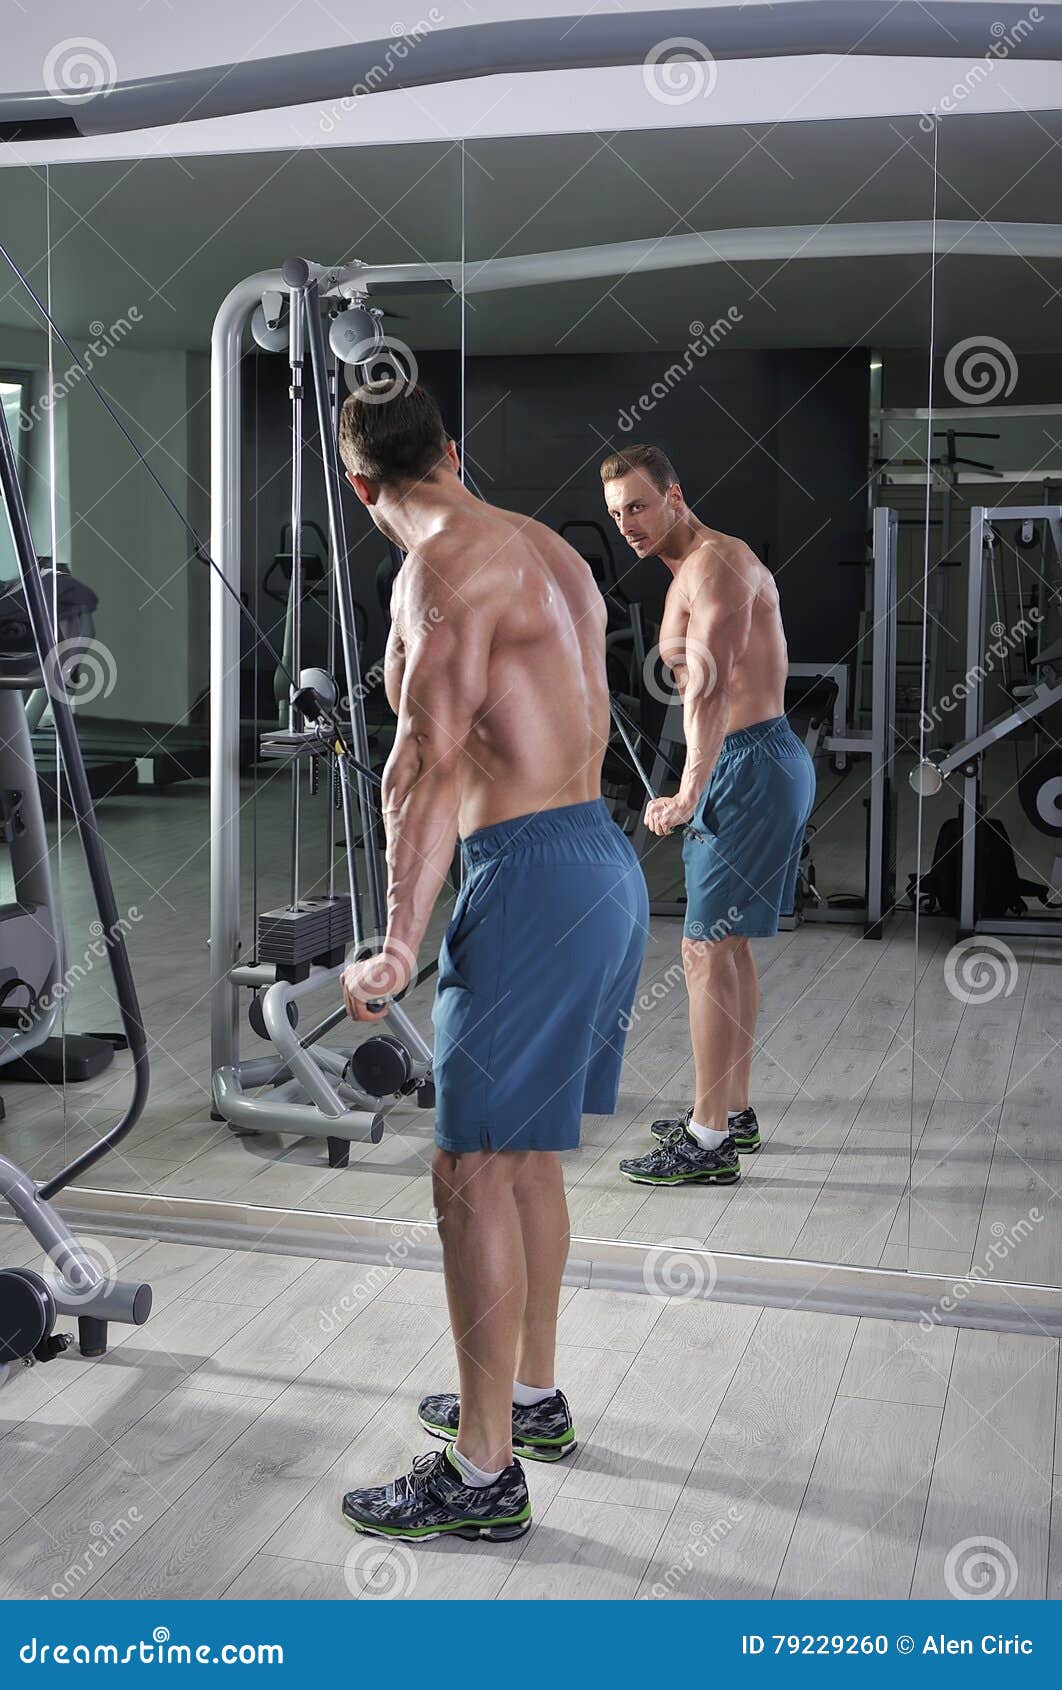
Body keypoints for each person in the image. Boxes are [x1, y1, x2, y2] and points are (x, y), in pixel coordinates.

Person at [336, 383, 648, 1543]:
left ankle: (481, 1472)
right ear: (453, 453)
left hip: (524, 878)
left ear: (361, 487)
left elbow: (421, 764)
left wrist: (397, 939)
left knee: (468, 1171)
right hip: (600, 860)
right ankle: (530, 1398)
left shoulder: (439, 571)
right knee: (522, 1159)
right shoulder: (547, 552)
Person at [599, 444, 814, 1188]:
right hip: (748, 760)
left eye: (638, 505)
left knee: (702, 951)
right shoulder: (689, 567)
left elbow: (712, 686)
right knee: (727, 947)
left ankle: (708, 1140)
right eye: (617, 513)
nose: (628, 523)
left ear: (674, 495)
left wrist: (689, 792)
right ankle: (734, 1112)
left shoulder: (718, 564)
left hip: (749, 764)